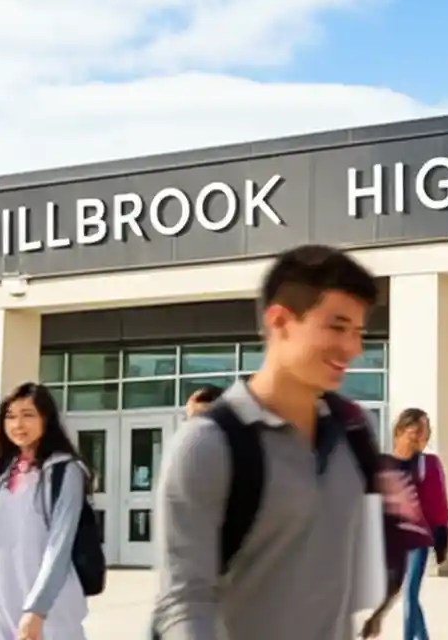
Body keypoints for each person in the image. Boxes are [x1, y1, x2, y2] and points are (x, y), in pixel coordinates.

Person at [151, 244, 381, 640]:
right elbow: (184, 602)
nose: (352, 348)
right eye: (337, 327)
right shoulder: (209, 446)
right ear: (280, 321)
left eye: (358, 332)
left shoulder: (353, 436)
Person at [0, 383, 91, 640]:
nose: (18, 424)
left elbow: (60, 544)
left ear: (46, 419)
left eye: (28, 415)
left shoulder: (65, 472)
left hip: (49, 610)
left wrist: (37, 609)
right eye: (10, 416)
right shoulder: (1, 473)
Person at [387, 409, 448, 640]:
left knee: (410, 593)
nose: (422, 438)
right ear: (401, 431)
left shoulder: (429, 464)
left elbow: (438, 502)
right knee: (407, 593)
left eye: (426, 432)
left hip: (419, 538)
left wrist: (442, 534)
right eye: (416, 432)